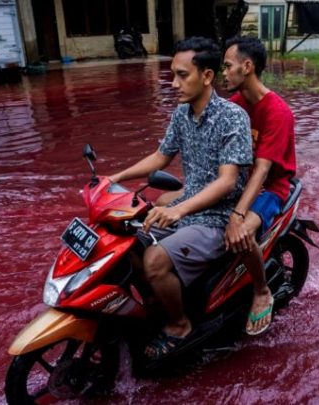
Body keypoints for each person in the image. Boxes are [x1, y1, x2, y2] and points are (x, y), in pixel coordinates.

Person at [107, 37, 252, 359]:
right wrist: (114, 178)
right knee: (127, 244)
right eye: (173, 74)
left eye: (182, 75)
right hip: (185, 207)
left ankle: (180, 324)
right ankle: (163, 300)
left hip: (218, 215)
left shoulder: (232, 117)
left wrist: (178, 208)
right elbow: (160, 157)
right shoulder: (181, 114)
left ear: (208, 76)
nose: (174, 83)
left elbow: (228, 182)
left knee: (155, 260)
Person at [221, 36, 296, 335]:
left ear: (247, 66)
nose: (223, 73)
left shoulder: (278, 112)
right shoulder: (235, 105)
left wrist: (238, 215)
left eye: (228, 66)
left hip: (271, 188)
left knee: (241, 234)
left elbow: (263, 171)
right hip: (240, 181)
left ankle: (261, 289)